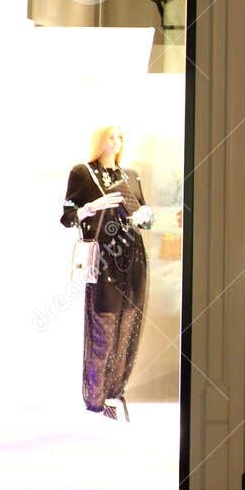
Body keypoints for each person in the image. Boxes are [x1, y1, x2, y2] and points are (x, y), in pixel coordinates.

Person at [61, 126, 153, 421]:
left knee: (128, 327)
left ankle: (114, 393)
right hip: (105, 259)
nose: (116, 142)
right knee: (104, 326)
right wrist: (91, 207)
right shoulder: (83, 173)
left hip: (134, 256)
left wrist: (144, 216)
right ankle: (95, 401)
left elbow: (145, 215)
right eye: (110, 137)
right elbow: (67, 216)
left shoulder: (130, 176)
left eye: (120, 137)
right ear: (100, 141)